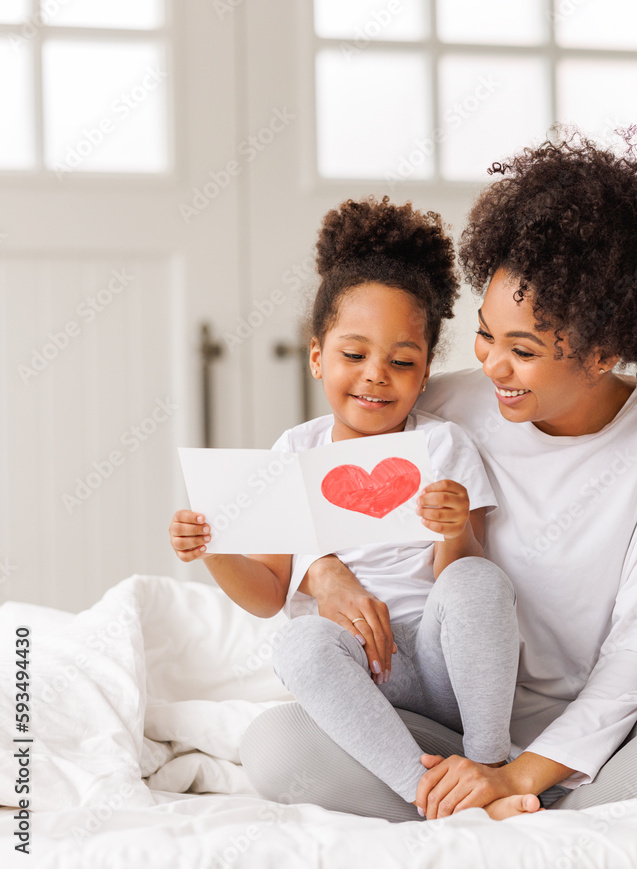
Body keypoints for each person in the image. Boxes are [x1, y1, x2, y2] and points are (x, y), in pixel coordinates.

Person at [240, 131, 637, 823]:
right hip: (448, 729)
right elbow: (317, 469)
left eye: (523, 349)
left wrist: (520, 770)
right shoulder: (442, 404)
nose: (491, 366)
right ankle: (500, 804)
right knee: (279, 746)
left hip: (600, 739)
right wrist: (317, 568)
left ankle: (537, 806)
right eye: (485, 334)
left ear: (603, 352)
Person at [169, 197, 519, 813]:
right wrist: (216, 551)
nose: (375, 376)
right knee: (297, 643)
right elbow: (268, 594)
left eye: (402, 362)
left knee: (478, 580)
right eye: (353, 355)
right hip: (363, 677)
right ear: (316, 357)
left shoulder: (443, 444)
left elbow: (462, 581)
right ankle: (422, 789)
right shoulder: (293, 453)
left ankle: (489, 762)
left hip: (440, 665)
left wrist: (454, 528)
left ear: (426, 368)